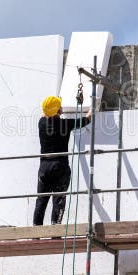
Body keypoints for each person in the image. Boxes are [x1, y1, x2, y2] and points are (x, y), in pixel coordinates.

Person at [34, 95, 92, 225]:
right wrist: (93, 106)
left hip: (44, 167)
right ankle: (56, 229)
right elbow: (87, 119)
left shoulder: (41, 123)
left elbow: (45, 113)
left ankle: (35, 232)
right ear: (58, 111)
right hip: (60, 167)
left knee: (41, 200)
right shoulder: (65, 124)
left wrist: (54, 109)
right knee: (58, 199)